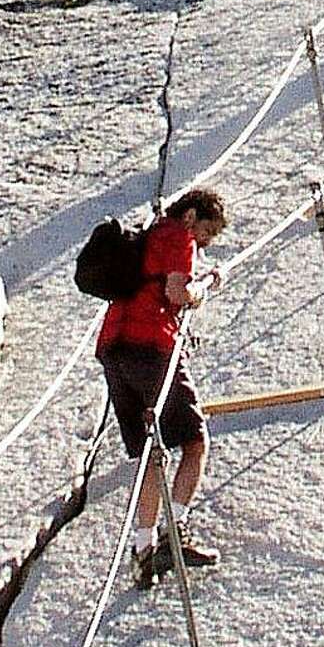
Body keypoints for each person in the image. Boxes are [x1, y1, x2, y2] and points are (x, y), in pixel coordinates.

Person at [96, 185, 229, 585]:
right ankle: (175, 534)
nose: (205, 242)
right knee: (194, 441)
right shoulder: (177, 236)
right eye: (208, 231)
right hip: (151, 346)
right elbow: (176, 291)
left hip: (115, 348)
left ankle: (143, 550)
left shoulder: (150, 232)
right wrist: (205, 287)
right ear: (192, 216)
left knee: (150, 453)